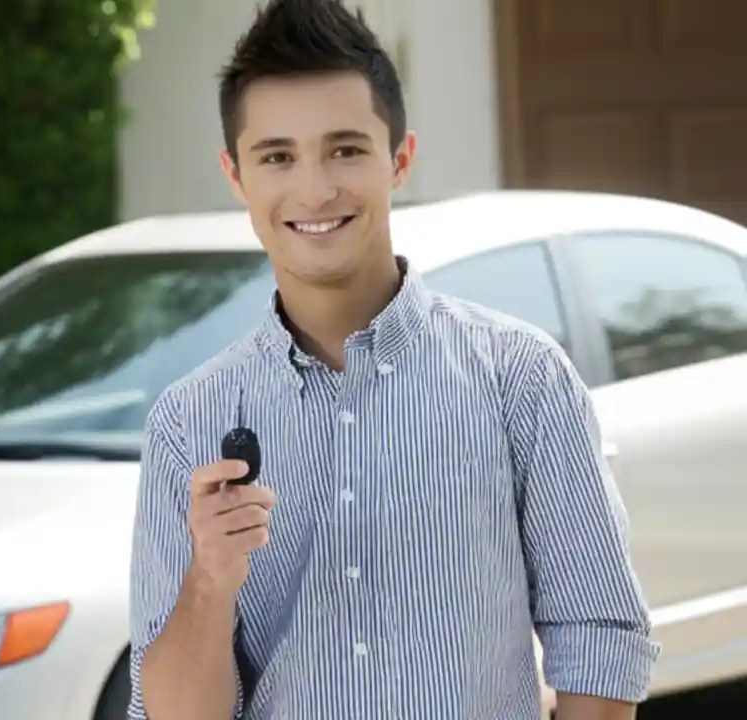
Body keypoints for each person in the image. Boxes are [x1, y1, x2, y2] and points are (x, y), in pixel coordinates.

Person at [126, 0, 661, 718]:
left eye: (345, 149)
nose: (315, 190)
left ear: (399, 159)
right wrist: (210, 582)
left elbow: (599, 640)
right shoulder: (187, 422)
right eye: (277, 156)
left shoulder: (521, 380)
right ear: (236, 176)